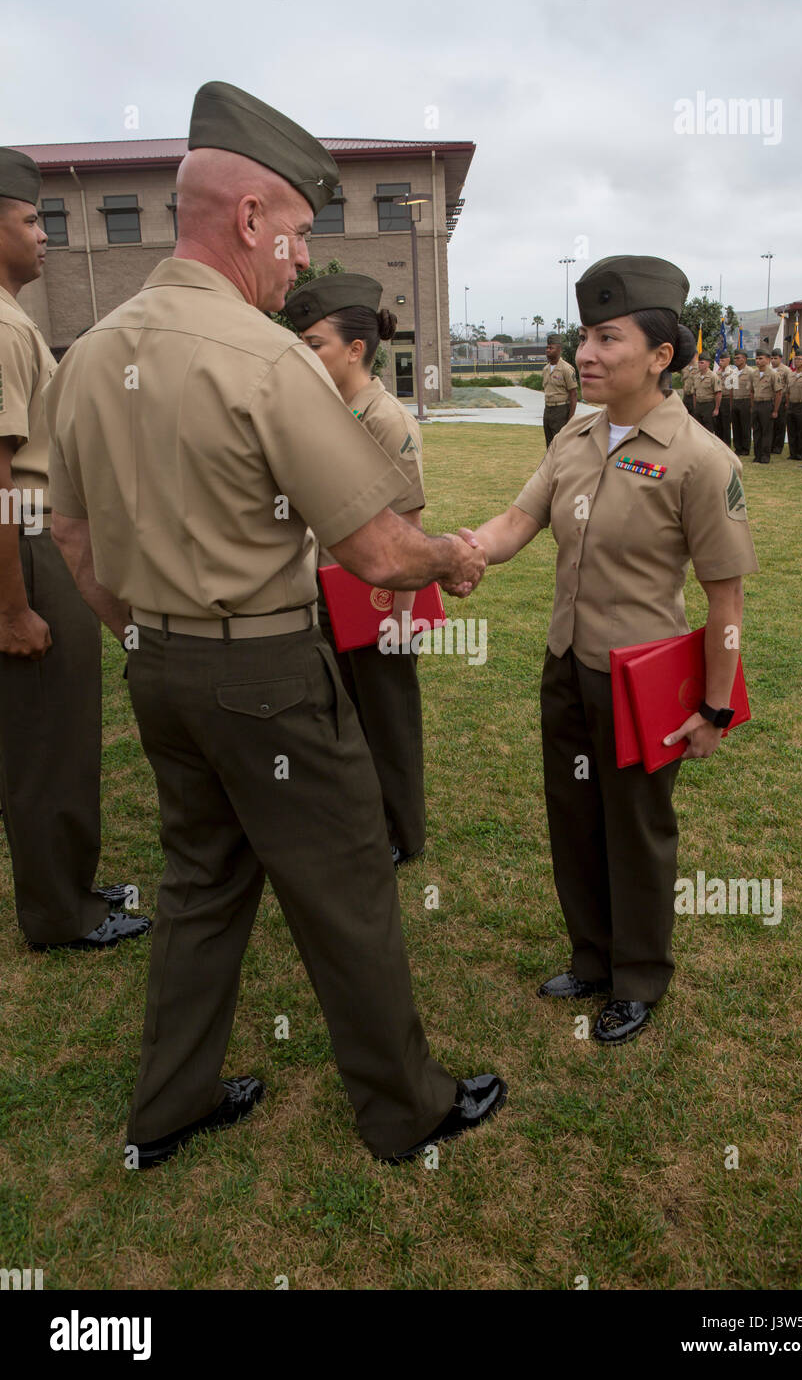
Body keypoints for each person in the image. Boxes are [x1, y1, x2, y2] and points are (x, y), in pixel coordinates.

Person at [45, 81, 505, 1167]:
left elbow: (67, 536)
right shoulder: (266, 359)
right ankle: (404, 1107)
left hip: (157, 666)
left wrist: (140, 629)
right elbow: (379, 550)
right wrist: (452, 556)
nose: (302, 260)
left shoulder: (88, 354)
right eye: (297, 233)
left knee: (201, 884)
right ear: (248, 219)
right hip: (264, 672)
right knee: (346, 882)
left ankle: (169, 1105)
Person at [460, 256, 759, 1044]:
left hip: (640, 681)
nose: (585, 351)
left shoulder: (700, 458)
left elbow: (724, 597)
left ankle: (638, 976)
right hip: (568, 665)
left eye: (607, 337)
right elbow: (516, 523)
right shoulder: (575, 436)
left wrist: (715, 708)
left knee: (636, 828)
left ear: (661, 355)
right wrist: (455, 555)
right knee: (575, 817)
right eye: (584, 335)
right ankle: (591, 958)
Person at [0, 146, 150, 952]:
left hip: (30, 539)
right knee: (47, 736)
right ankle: (62, 912)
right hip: (23, 543)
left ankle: (70, 885)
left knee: (53, 731)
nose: (43, 234)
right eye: (30, 219)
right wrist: (15, 604)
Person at [284, 272, 426, 867]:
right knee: (338, 716)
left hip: (372, 598)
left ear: (356, 349)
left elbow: (410, 522)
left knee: (386, 720)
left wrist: (400, 617)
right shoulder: (325, 409)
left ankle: (401, 832)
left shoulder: (385, 419)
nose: (304, 355)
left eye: (313, 343)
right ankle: (355, 819)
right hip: (321, 590)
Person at [542, 332, 578, 446]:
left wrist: (570, 419)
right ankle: (551, 464)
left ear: (559, 349)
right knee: (550, 445)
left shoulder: (566, 369)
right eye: (547, 348)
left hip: (561, 410)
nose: (548, 350)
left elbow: (573, 394)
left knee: (560, 445)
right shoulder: (546, 369)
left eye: (551, 348)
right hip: (548, 410)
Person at [750, 352, 783, 464]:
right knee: (756, 431)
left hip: (767, 404)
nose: (758, 361)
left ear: (768, 360)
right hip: (757, 404)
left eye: (761, 358)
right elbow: (751, 391)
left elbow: (778, 393)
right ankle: (757, 455)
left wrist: (775, 410)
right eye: (757, 358)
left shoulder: (773, 374)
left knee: (766, 432)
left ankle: (765, 456)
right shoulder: (754, 374)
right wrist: (752, 406)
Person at [730, 351, 753, 458]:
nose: (736, 360)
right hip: (735, 400)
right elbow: (731, 388)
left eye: (738, 358)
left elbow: (753, 389)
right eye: (735, 358)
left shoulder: (750, 372)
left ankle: (745, 448)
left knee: (745, 426)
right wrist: (731, 402)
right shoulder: (733, 372)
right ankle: (738, 447)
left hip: (745, 400)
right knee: (736, 426)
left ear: (744, 359)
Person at [692, 353, 721, 432]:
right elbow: (694, 393)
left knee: (709, 429)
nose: (699, 364)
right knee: (698, 429)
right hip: (698, 405)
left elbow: (718, 393)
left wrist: (716, 409)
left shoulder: (713, 376)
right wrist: (695, 407)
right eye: (698, 362)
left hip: (708, 405)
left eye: (702, 363)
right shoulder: (696, 377)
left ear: (708, 363)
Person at [786, 353, 802, 460]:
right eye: (796, 359)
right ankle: (793, 453)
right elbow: (788, 392)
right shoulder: (791, 375)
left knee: (801, 430)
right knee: (792, 430)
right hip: (792, 404)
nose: (797, 361)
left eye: (800, 359)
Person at [769, 349, 790, 455]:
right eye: (771, 358)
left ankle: (778, 446)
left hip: (781, 399)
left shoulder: (786, 370)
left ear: (780, 358)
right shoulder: (768, 369)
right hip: (770, 399)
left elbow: (788, 386)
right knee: (770, 424)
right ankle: (771, 444)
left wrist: (787, 401)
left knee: (780, 424)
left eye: (775, 358)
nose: (773, 360)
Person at [714, 352, 734, 447]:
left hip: (726, 399)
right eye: (720, 360)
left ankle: (727, 444)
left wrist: (731, 404)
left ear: (728, 360)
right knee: (717, 423)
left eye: (723, 360)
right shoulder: (717, 373)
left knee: (726, 424)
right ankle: (719, 443)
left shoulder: (731, 373)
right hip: (718, 400)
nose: (720, 362)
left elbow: (732, 390)